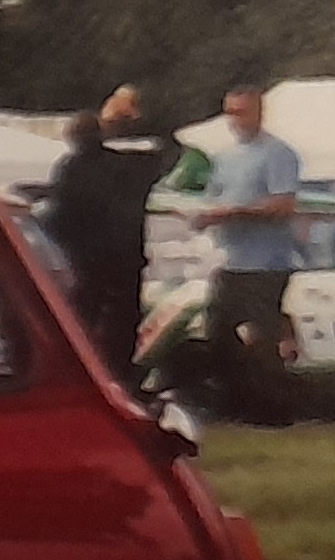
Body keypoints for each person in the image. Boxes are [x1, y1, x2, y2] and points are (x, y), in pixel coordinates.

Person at [39, 85, 178, 384]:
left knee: (80, 322)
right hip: (127, 257)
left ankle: (79, 378)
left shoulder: (71, 168)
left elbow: (59, 217)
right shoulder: (130, 166)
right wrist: (131, 118)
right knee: (124, 322)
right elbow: (172, 151)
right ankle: (122, 380)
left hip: (84, 260)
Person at [195, 83, 304, 422]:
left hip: (266, 263)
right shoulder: (224, 159)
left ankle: (275, 411)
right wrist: (204, 216)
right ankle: (234, 402)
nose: (234, 120)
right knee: (218, 330)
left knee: (262, 336)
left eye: (240, 112)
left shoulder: (277, 153)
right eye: (230, 112)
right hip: (230, 260)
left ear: (259, 112)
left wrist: (235, 213)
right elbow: (213, 199)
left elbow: (283, 204)